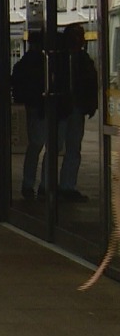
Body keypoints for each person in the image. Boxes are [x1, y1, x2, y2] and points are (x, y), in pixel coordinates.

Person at [57, 23, 97, 202]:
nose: (79, 40)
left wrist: (90, 105)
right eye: (75, 36)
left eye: (80, 36)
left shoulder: (84, 60)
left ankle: (67, 186)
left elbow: (91, 83)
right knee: (56, 147)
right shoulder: (58, 59)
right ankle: (47, 186)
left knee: (74, 148)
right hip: (61, 109)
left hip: (77, 108)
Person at [10, 30, 47, 200]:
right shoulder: (42, 62)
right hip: (39, 107)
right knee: (39, 146)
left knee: (35, 146)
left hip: (33, 106)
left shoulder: (24, 63)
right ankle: (41, 185)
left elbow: (16, 86)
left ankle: (29, 184)